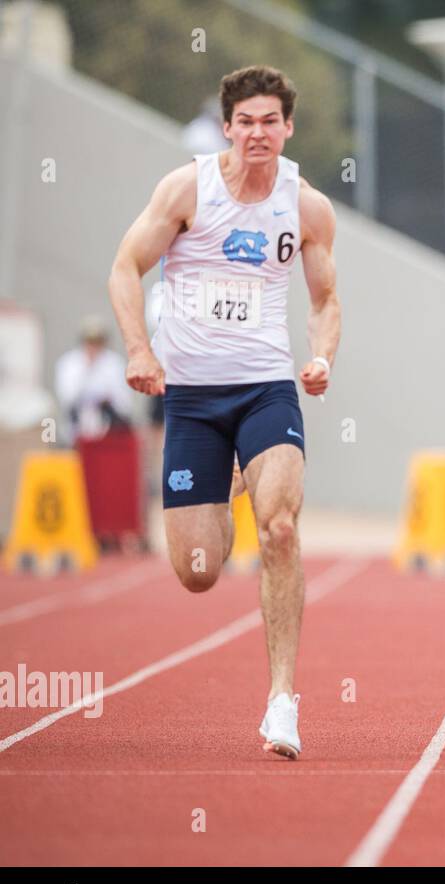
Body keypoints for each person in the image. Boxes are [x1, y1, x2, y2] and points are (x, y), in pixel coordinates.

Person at [107, 65, 341, 756]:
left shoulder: (307, 206)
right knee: (200, 570)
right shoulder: (187, 190)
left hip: (267, 387)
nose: (258, 133)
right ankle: (229, 478)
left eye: (271, 121)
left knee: (280, 530)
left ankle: (282, 702)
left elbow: (326, 298)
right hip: (192, 399)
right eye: (246, 122)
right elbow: (125, 267)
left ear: (288, 127)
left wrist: (321, 355)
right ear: (227, 126)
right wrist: (138, 351)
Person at [54, 315, 134, 443]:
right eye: (90, 341)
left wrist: (105, 400)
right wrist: (87, 369)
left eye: (98, 342)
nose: (93, 347)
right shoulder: (69, 362)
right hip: (78, 421)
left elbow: (124, 400)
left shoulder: (114, 363)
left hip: (109, 421)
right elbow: (67, 397)